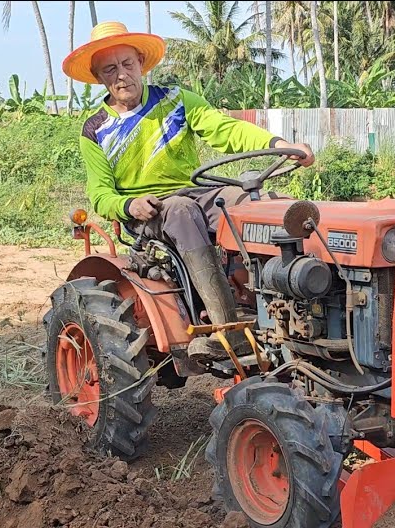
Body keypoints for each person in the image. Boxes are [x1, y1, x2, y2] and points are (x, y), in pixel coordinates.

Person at [62, 21, 314, 364]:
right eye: (110, 69)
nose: (121, 75)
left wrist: (279, 144)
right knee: (180, 210)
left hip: (196, 194)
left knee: (257, 203)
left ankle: (293, 300)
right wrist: (129, 204)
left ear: (140, 63)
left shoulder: (176, 100)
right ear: (98, 76)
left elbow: (226, 130)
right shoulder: (95, 129)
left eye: (127, 64)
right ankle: (228, 330)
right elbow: (100, 194)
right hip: (149, 213)